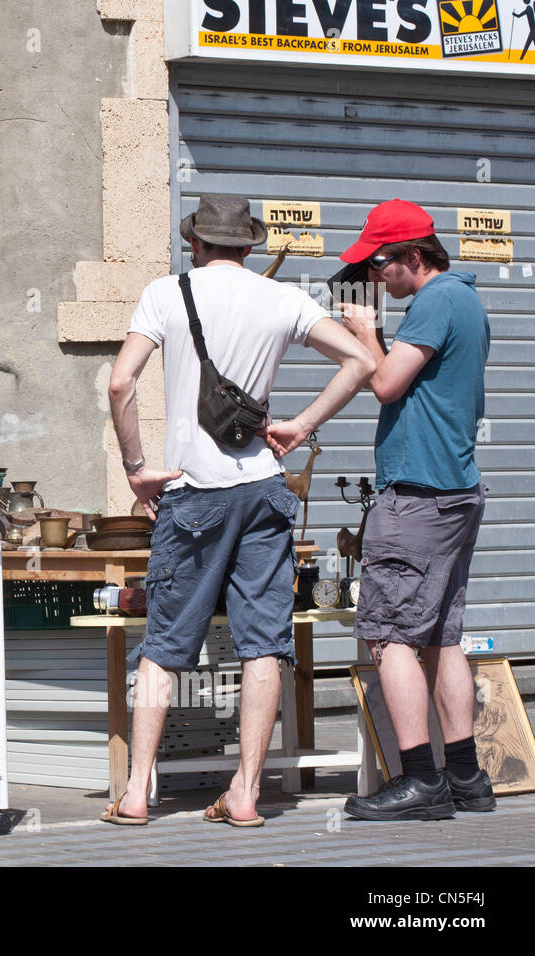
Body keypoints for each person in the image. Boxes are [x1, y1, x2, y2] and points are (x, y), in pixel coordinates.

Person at [102, 194, 374, 826]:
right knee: (263, 647)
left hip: (192, 492)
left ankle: (138, 793)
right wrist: (301, 424)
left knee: (165, 646)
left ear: (195, 242)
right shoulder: (282, 300)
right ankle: (247, 792)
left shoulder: (166, 293)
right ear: (249, 246)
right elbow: (360, 362)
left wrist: (138, 470)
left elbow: (120, 382)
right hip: (263, 491)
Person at [335, 199, 493, 820]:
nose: (374, 278)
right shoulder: (467, 300)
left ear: (414, 257)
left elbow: (385, 384)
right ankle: (465, 776)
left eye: (379, 265)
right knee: (442, 636)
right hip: (455, 490)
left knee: (390, 635)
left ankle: (420, 780)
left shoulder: (433, 302)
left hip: (418, 496)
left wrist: (365, 334)